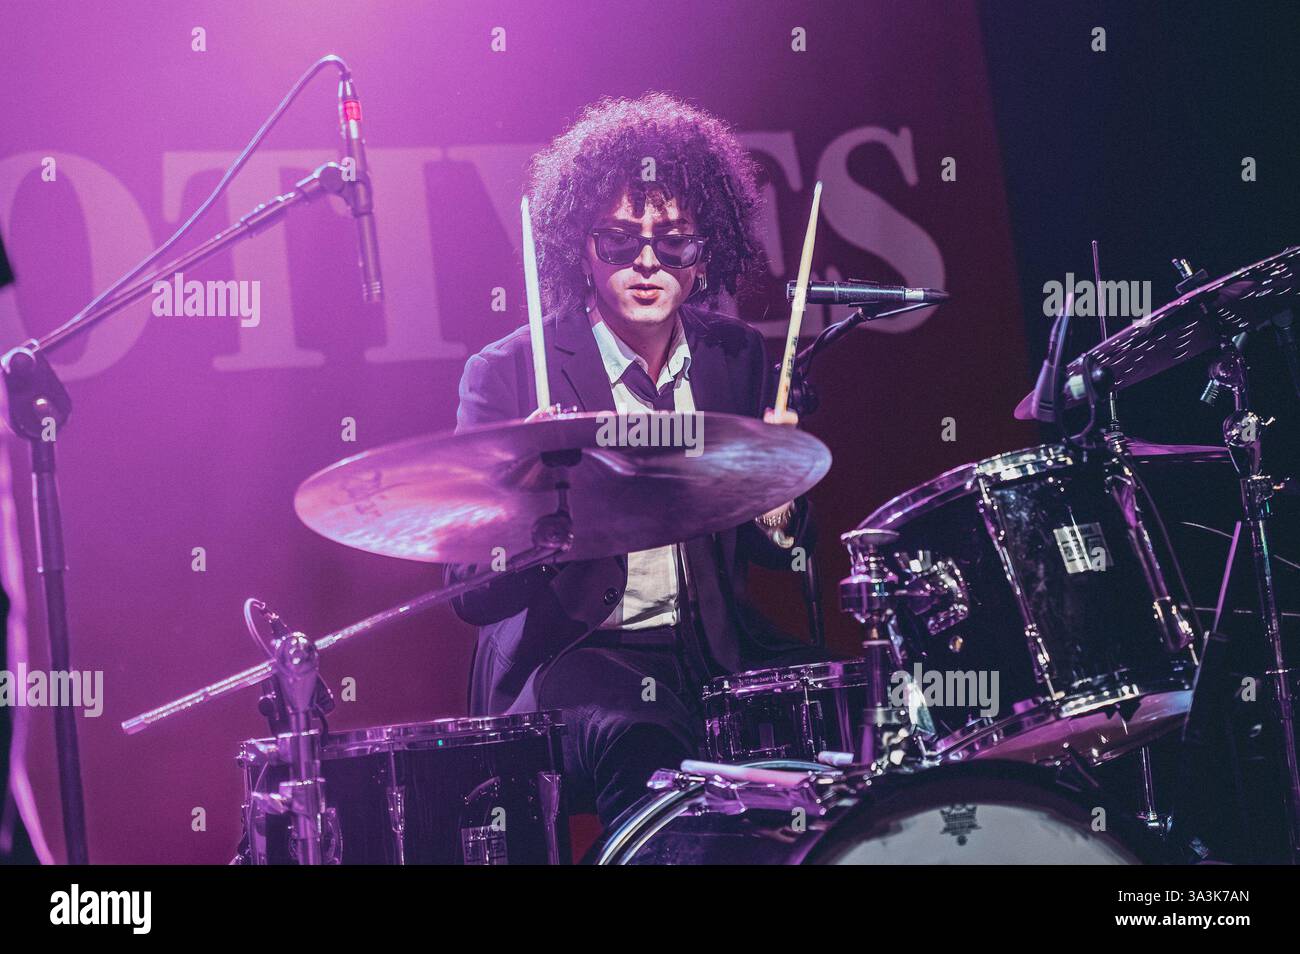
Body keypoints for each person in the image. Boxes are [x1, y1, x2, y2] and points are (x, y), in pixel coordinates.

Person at [447, 92, 824, 827]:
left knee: (855, 708)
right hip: (574, 656)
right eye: (619, 241)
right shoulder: (507, 374)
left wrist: (779, 497)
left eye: (674, 241)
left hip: (711, 648)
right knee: (647, 744)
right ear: (578, 248)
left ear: (706, 247)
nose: (648, 261)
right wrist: (530, 502)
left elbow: (782, 555)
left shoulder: (738, 356)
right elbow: (470, 594)